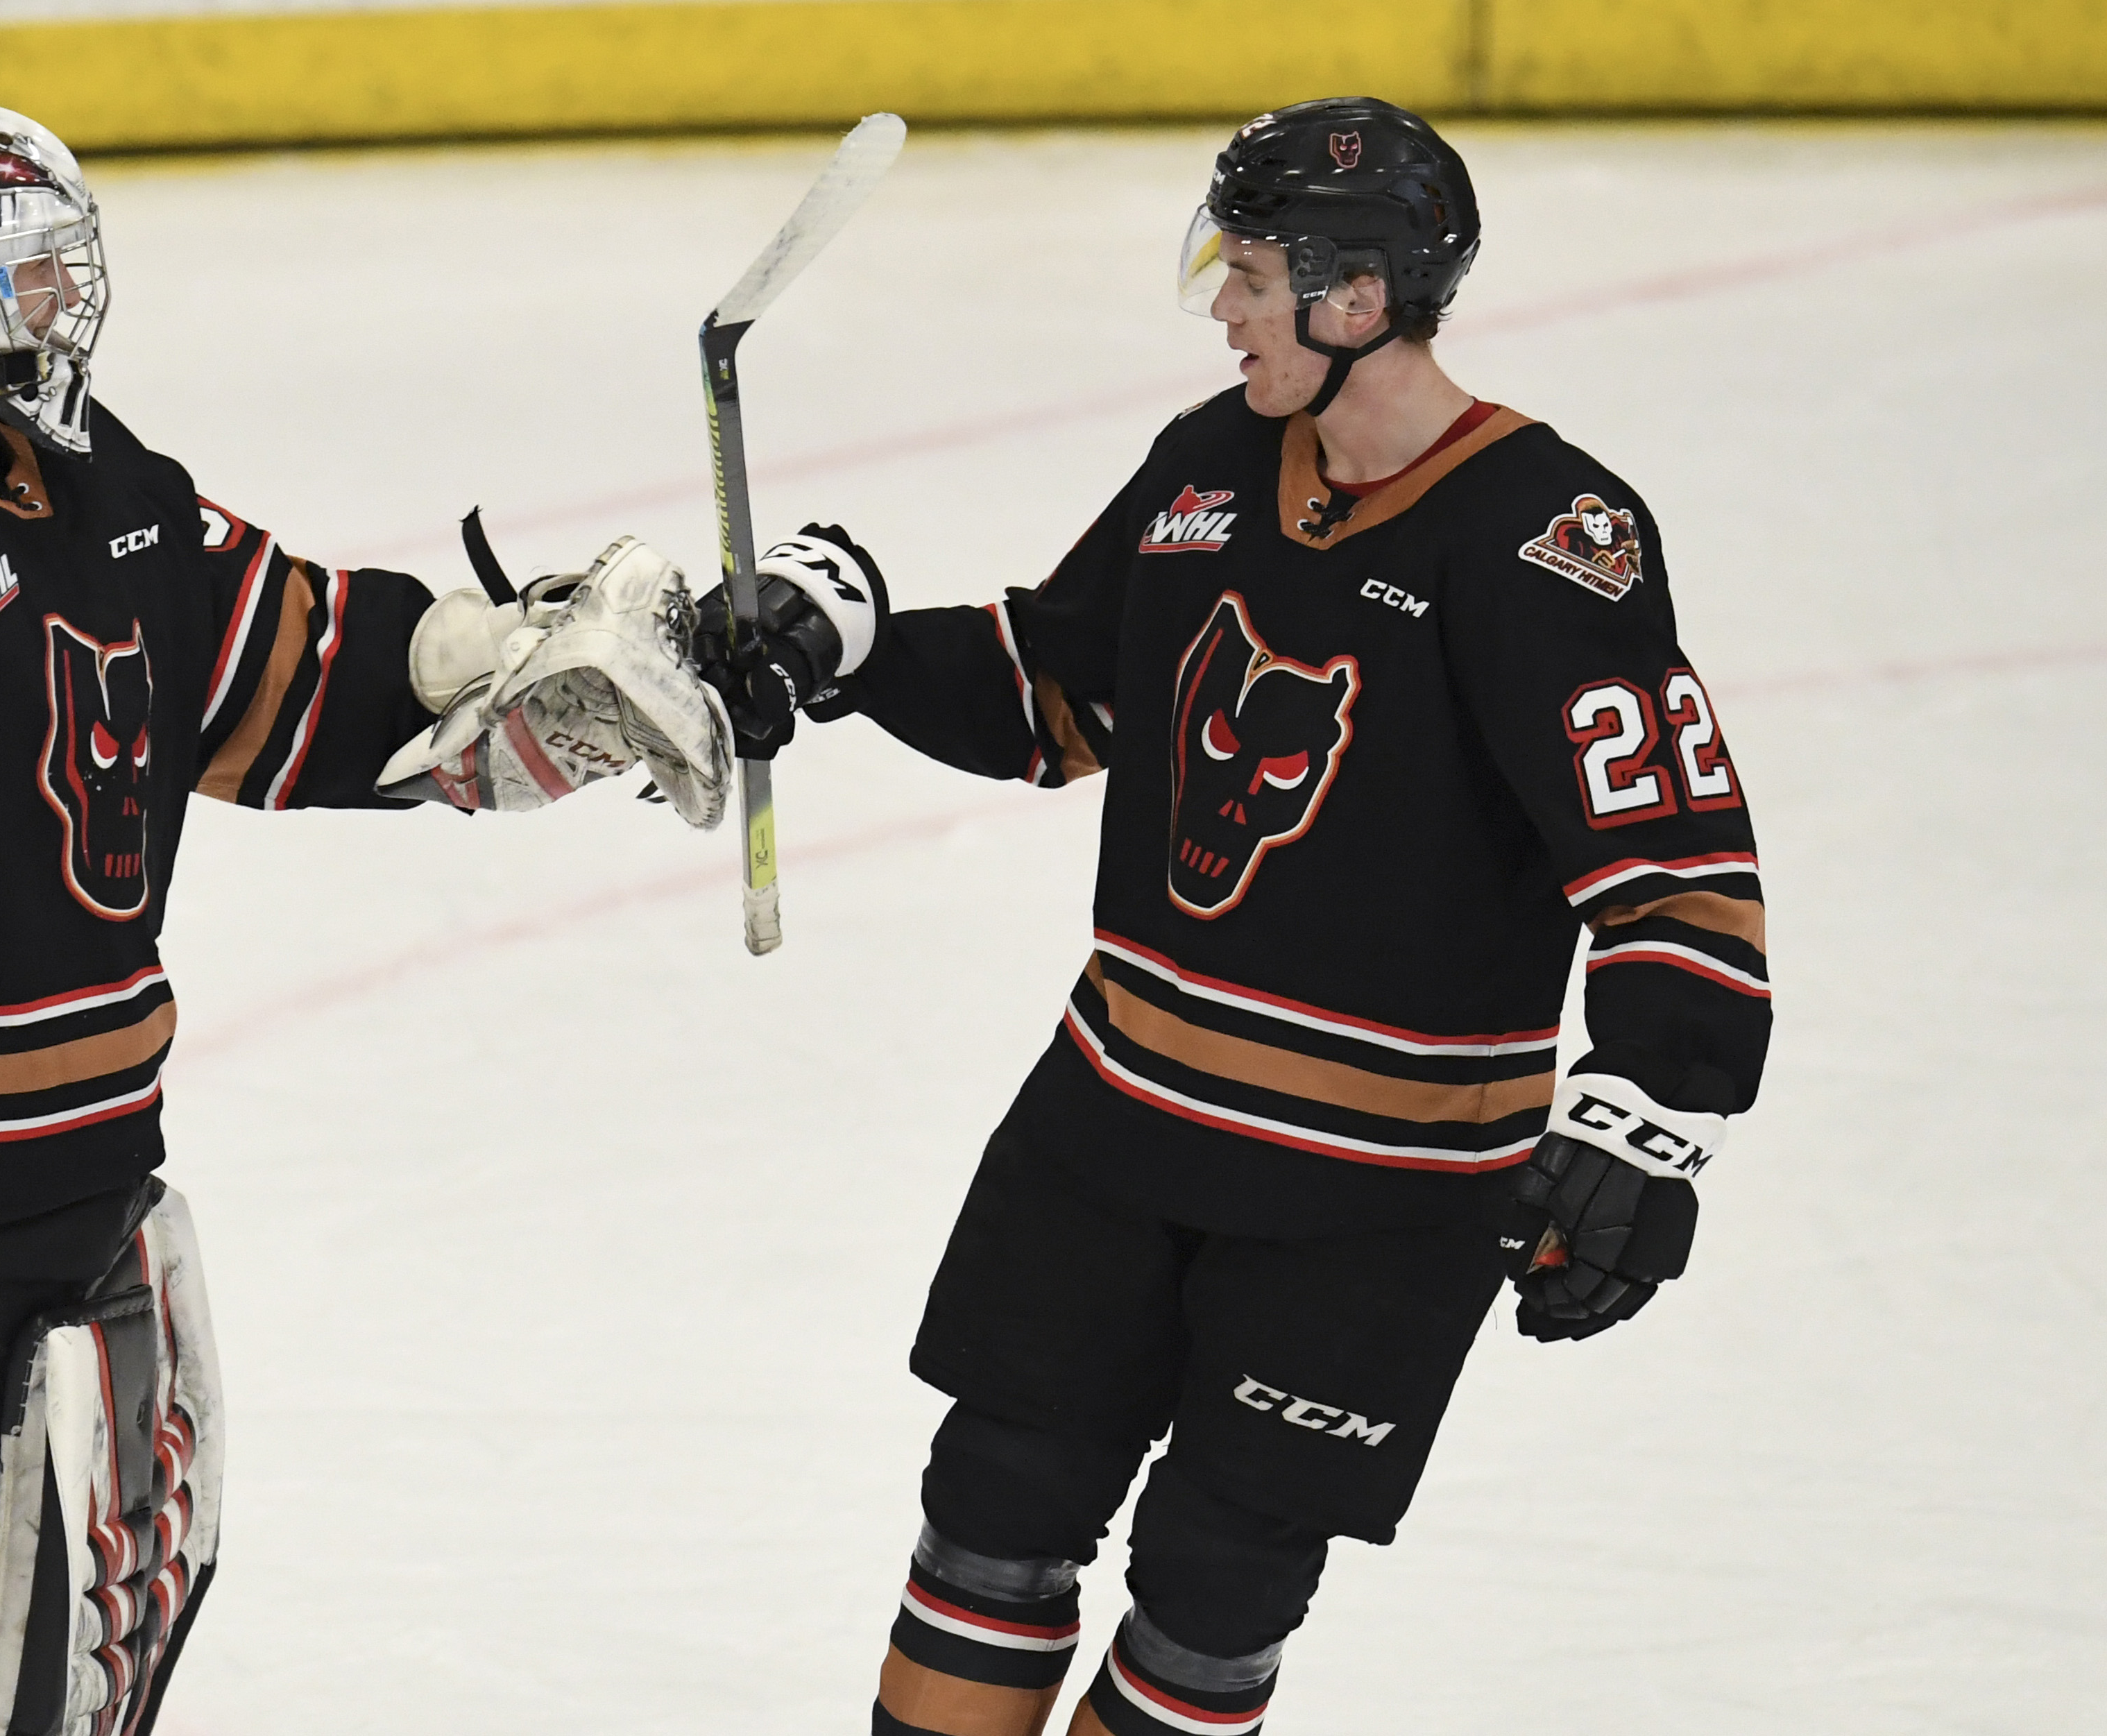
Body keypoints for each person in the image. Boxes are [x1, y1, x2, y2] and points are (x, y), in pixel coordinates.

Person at [0, 90, 730, 1736]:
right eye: (28, 273)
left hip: (68, 1171)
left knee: (66, 1621)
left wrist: (498, 655)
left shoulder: (98, 482)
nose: (64, 307)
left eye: (66, 270)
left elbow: (293, 658)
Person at [697, 98, 1771, 1734]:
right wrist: (848, 655)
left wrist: (1651, 1115)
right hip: (1114, 1125)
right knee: (990, 1508)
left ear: (1356, 295)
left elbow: (1672, 858)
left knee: (1215, 1588)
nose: (1219, 304)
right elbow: (1064, 692)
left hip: (1375, 1198)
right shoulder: (1212, 462)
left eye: (1250, 274)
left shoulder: (1547, 542)